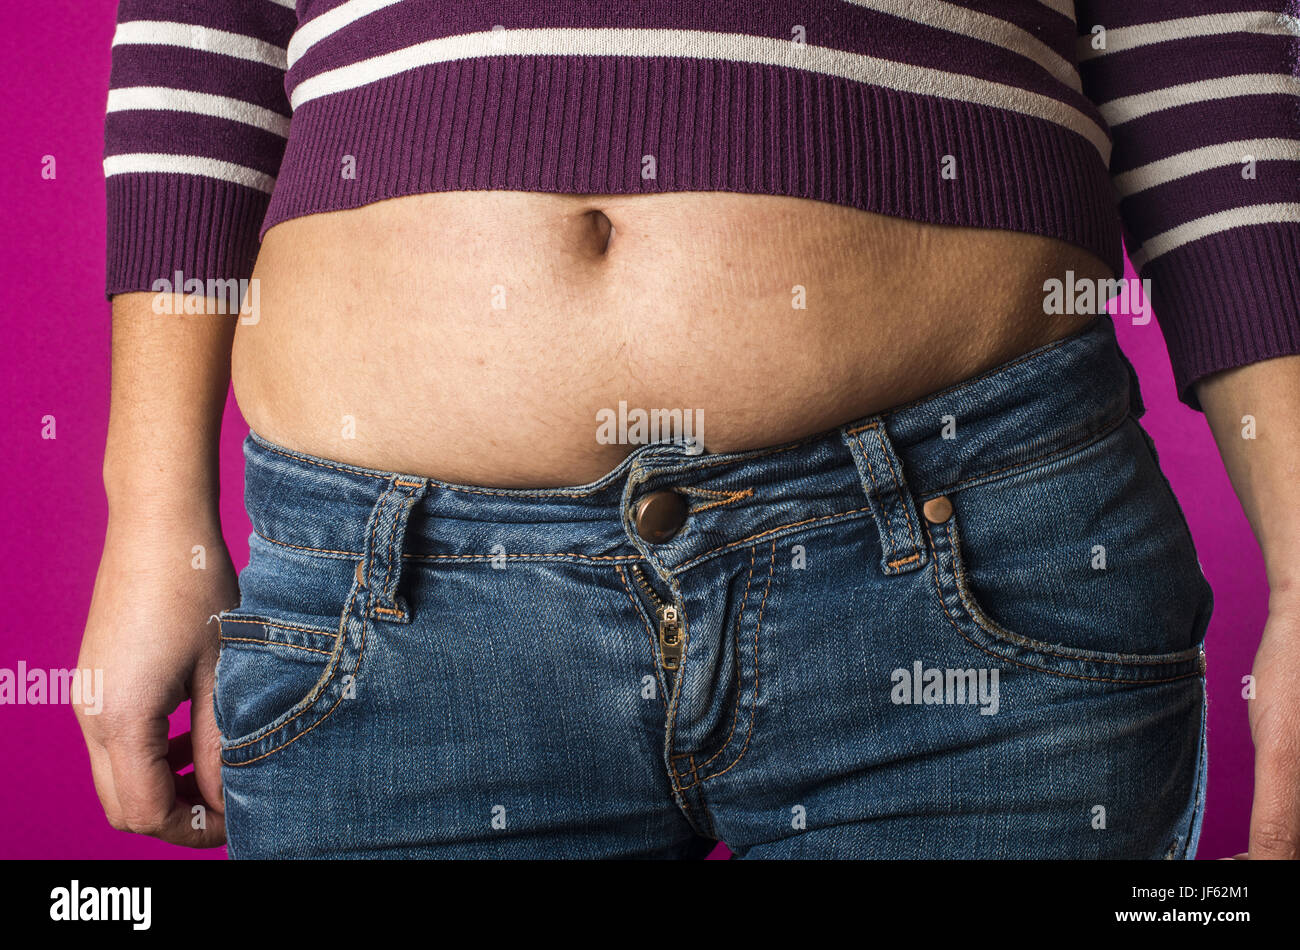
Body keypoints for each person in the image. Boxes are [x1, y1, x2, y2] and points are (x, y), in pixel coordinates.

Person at [78, 1, 1300, 858]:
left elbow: (1191, 40)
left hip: (961, 556)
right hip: (392, 604)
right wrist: (154, 512)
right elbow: (212, 29)